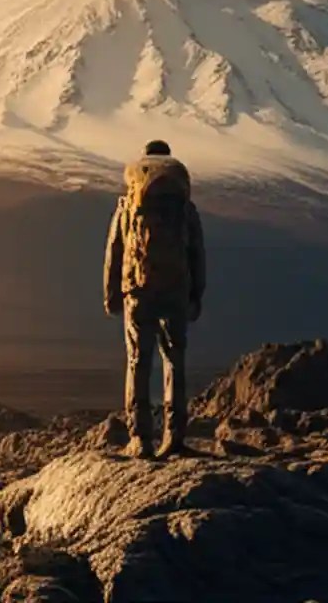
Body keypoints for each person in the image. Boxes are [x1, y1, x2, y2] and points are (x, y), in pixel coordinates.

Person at [103, 140, 206, 459]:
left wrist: (111, 294)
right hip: (175, 288)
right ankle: (174, 436)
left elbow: (115, 251)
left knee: (139, 361)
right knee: (175, 360)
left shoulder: (129, 204)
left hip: (137, 289)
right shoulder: (184, 207)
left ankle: (141, 438)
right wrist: (195, 294)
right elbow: (197, 253)